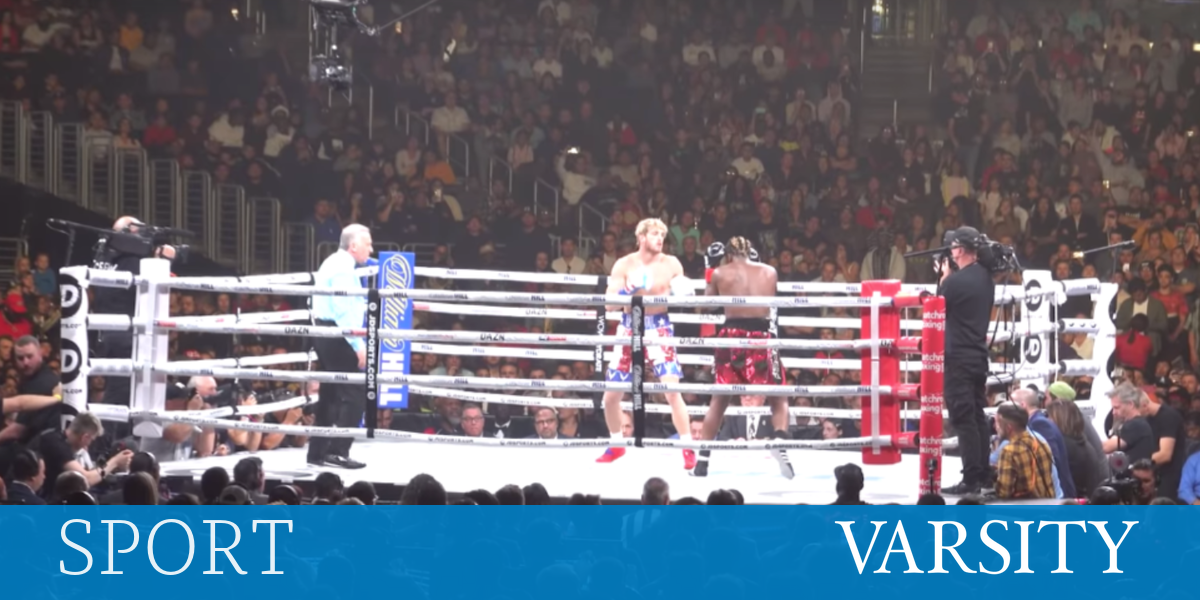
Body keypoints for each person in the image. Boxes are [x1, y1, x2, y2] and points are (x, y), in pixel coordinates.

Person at [596, 218, 695, 469]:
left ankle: (687, 447)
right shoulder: (624, 264)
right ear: (641, 237)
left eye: (662, 234)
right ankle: (616, 444)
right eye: (654, 234)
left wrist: (684, 292)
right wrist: (628, 289)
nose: (660, 238)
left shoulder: (672, 264)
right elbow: (609, 305)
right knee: (610, 396)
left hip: (659, 327)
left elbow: (686, 299)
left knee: (672, 391)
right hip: (629, 325)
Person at [693, 237, 793, 479]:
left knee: (719, 400)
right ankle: (780, 440)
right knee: (778, 395)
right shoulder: (770, 271)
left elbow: (706, 306)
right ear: (751, 252)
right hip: (762, 337)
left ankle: (702, 463)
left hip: (732, 337)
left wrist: (710, 269)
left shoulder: (720, 273)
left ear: (728, 255)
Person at [307, 224, 374, 470]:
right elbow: (344, 310)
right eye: (368, 244)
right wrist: (358, 343)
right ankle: (338, 451)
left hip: (325, 332)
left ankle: (317, 452)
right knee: (355, 393)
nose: (371, 249)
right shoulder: (344, 269)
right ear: (353, 245)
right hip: (338, 334)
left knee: (330, 394)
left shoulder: (332, 262)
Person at [938, 226, 996, 495]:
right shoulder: (985, 277)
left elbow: (937, 309)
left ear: (959, 250)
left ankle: (971, 478)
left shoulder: (954, 283)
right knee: (976, 415)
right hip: (977, 357)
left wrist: (944, 279)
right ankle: (982, 474)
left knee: (964, 419)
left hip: (959, 359)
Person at [993, 404, 1056, 500]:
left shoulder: (1009, 451)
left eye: (997, 423)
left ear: (1009, 428)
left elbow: (1004, 493)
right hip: (1049, 504)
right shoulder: (1041, 443)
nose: (995, 427)